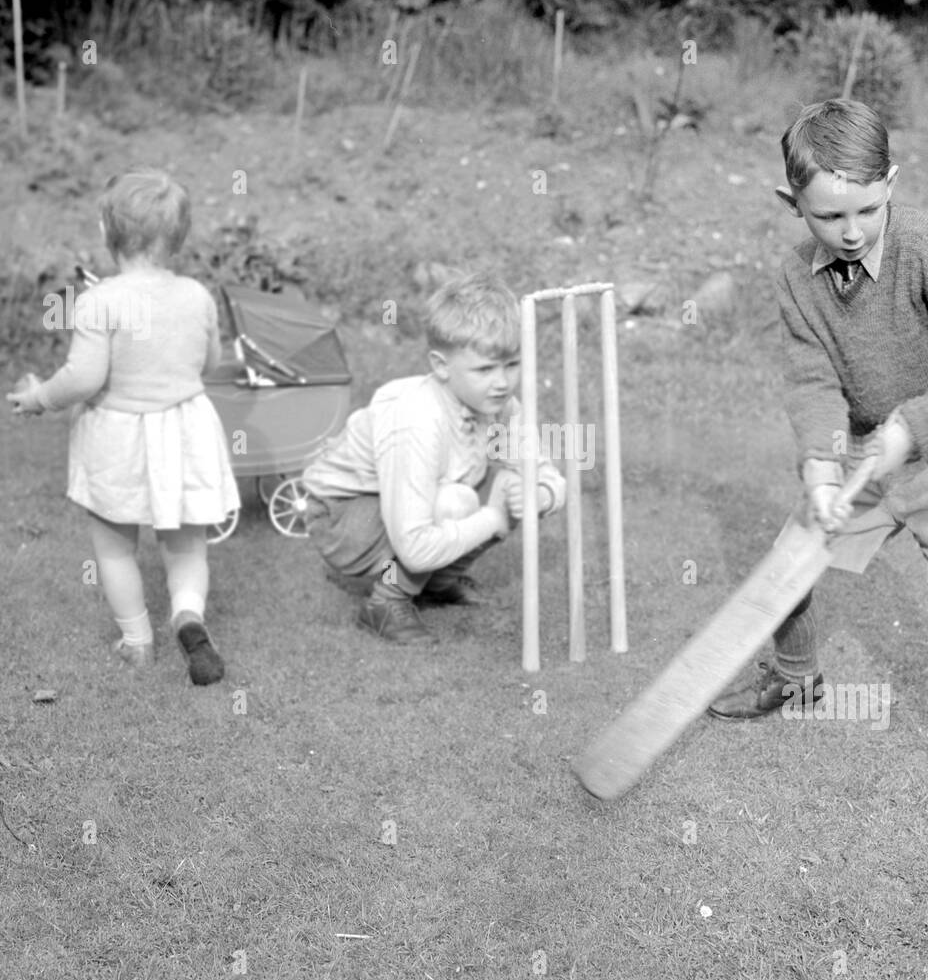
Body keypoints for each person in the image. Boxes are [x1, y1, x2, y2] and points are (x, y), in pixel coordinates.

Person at [708, 98, 928, 848]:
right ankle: (795, 681)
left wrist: (911, 427)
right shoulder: (795, 279)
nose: (851, 231)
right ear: (790, 203)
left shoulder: (927, 247)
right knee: (794, 557)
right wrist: (823, 467)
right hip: (868, 448)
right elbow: (810, 381)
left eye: (866, 208)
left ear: (889, 182)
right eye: (829, 217)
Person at [7, 169, 238, 685]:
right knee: (185, 545)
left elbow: (85, 378)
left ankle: (137, 641)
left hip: (120, 439)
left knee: (114, 547)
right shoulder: (196, 295)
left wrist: (40, 397)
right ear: (178, 237)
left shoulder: (99, 300)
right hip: (184, 431)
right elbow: (209, 362)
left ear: (107, 231)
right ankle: (188, 616)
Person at [303, 271, 565, 644]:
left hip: (407, 503)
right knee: (457, 501)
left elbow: (545, 472)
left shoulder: (503, 406)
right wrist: (491, 518)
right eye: (485, 369)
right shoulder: (417, 419)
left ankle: (437, 584)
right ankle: (387, 600)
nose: (503, 382)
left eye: (511, 364)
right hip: (344, 515)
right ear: (442, 366)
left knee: (512, 484)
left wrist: (541, 495)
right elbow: (413, 545)